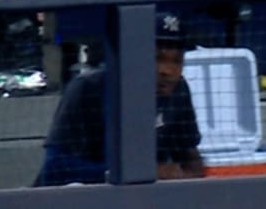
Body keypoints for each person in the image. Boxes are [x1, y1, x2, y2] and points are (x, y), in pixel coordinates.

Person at [33, 11, 204, 187]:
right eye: (157, 58)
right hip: (76, 201)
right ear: (134, 55)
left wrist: (190, 176)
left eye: (176, 61)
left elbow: (190, 157)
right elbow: (54, 169)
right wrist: (134, 173)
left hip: (144, 201)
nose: (167, 71)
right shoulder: (88, 88)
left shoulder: (179, 90)